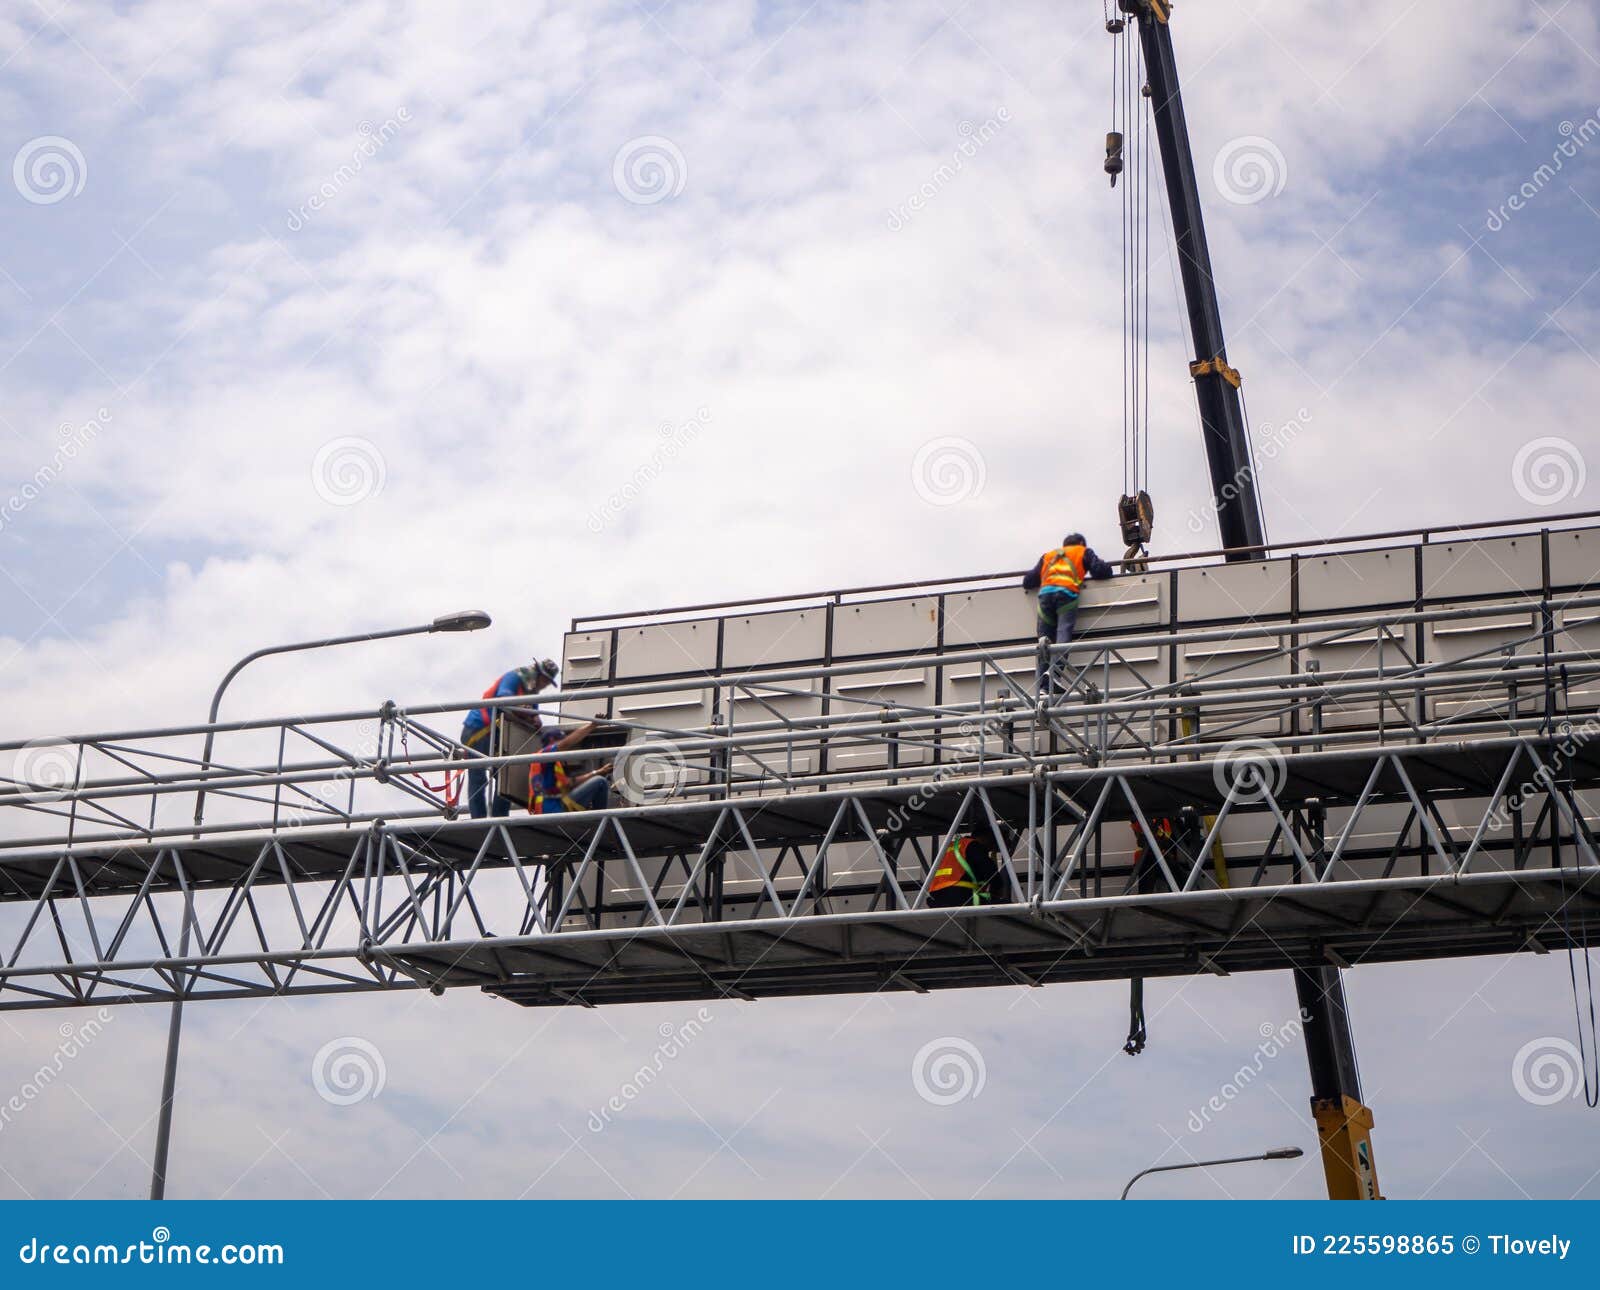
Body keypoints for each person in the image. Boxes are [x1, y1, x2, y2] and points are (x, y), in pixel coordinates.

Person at [462, 658, 559, 819]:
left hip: (500, 734)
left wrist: (535, 719)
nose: (545, 685)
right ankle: (478, 819)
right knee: (478, 777)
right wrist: (523, 709)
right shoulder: (515, 677)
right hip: (478, 729)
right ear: (537, 674)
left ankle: (499, 818)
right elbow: (504, 697)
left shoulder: (531, 693)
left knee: (505, 777)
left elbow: (533, 715)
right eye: (545, 680)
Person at [1023, 532, 1115, 692]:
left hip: (1045, 596)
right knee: (1063, 634)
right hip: (1066, 594)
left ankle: (1043, 687)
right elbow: (1100, 571)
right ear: (1080, 543)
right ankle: (1054, 674)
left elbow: (1028, 581)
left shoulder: (1049, 555)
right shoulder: (1082, 551)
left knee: (1044, 641)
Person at [528, 722, 614, 814]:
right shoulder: (545, 755)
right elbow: (568, 742)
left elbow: (568, 784)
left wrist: (598, 772)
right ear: (551, 740)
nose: (564, 748)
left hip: (550, 807)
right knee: (600, 782)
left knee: (597, 780)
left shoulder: (547, 762)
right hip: (550, 808)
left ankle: (597, 818)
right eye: (561, 740)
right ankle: (600, 819)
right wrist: (593, 725)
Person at [927, 822, 1011, 908]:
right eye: (993, 841)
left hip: (937, 899)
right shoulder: (974, 846)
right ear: (986, 837)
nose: (991, 847)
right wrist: (997, 892)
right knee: (1006, 905)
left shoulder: (951, 846)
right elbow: (992, 874)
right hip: (959, 897)